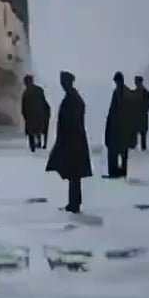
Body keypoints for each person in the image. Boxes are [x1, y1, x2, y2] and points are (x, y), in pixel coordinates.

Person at [46, 71, 93, 213]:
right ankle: (73, 202)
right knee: (74, 174)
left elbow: (71, 121)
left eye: (63, 82)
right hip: (73, 140)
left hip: (73, 141)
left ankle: (74, 204)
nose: (62, 84)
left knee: (74, 174)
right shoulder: (73, 97)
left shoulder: (72, 99)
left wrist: (65, 138)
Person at [104, 72, 133, 178]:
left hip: (120, 127)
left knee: (119, 151)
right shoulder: (119, 92)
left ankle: (118, 172)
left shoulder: (123, 93)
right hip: (117, 126)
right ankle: (117, 171)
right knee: (117, 150)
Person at [21, 75, 50, 152]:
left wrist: (25, 116)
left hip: (32, 116)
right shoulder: (39, 90)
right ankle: (40, 143)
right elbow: (44, 103)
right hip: (40, 115)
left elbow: (23, 108)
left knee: (31, 131)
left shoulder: (26, 93)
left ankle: (33, 146)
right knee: (39, 129)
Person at [131, 75, 149, 150]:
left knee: (142, 134)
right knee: (135, 133)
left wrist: (141, 111)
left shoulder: (145, 93)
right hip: (137, 116)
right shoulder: (135, 92)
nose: (136, 83)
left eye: (136, 81)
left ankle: (143, 148)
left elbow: (148, 105)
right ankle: (135, 147)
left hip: (141, 116)